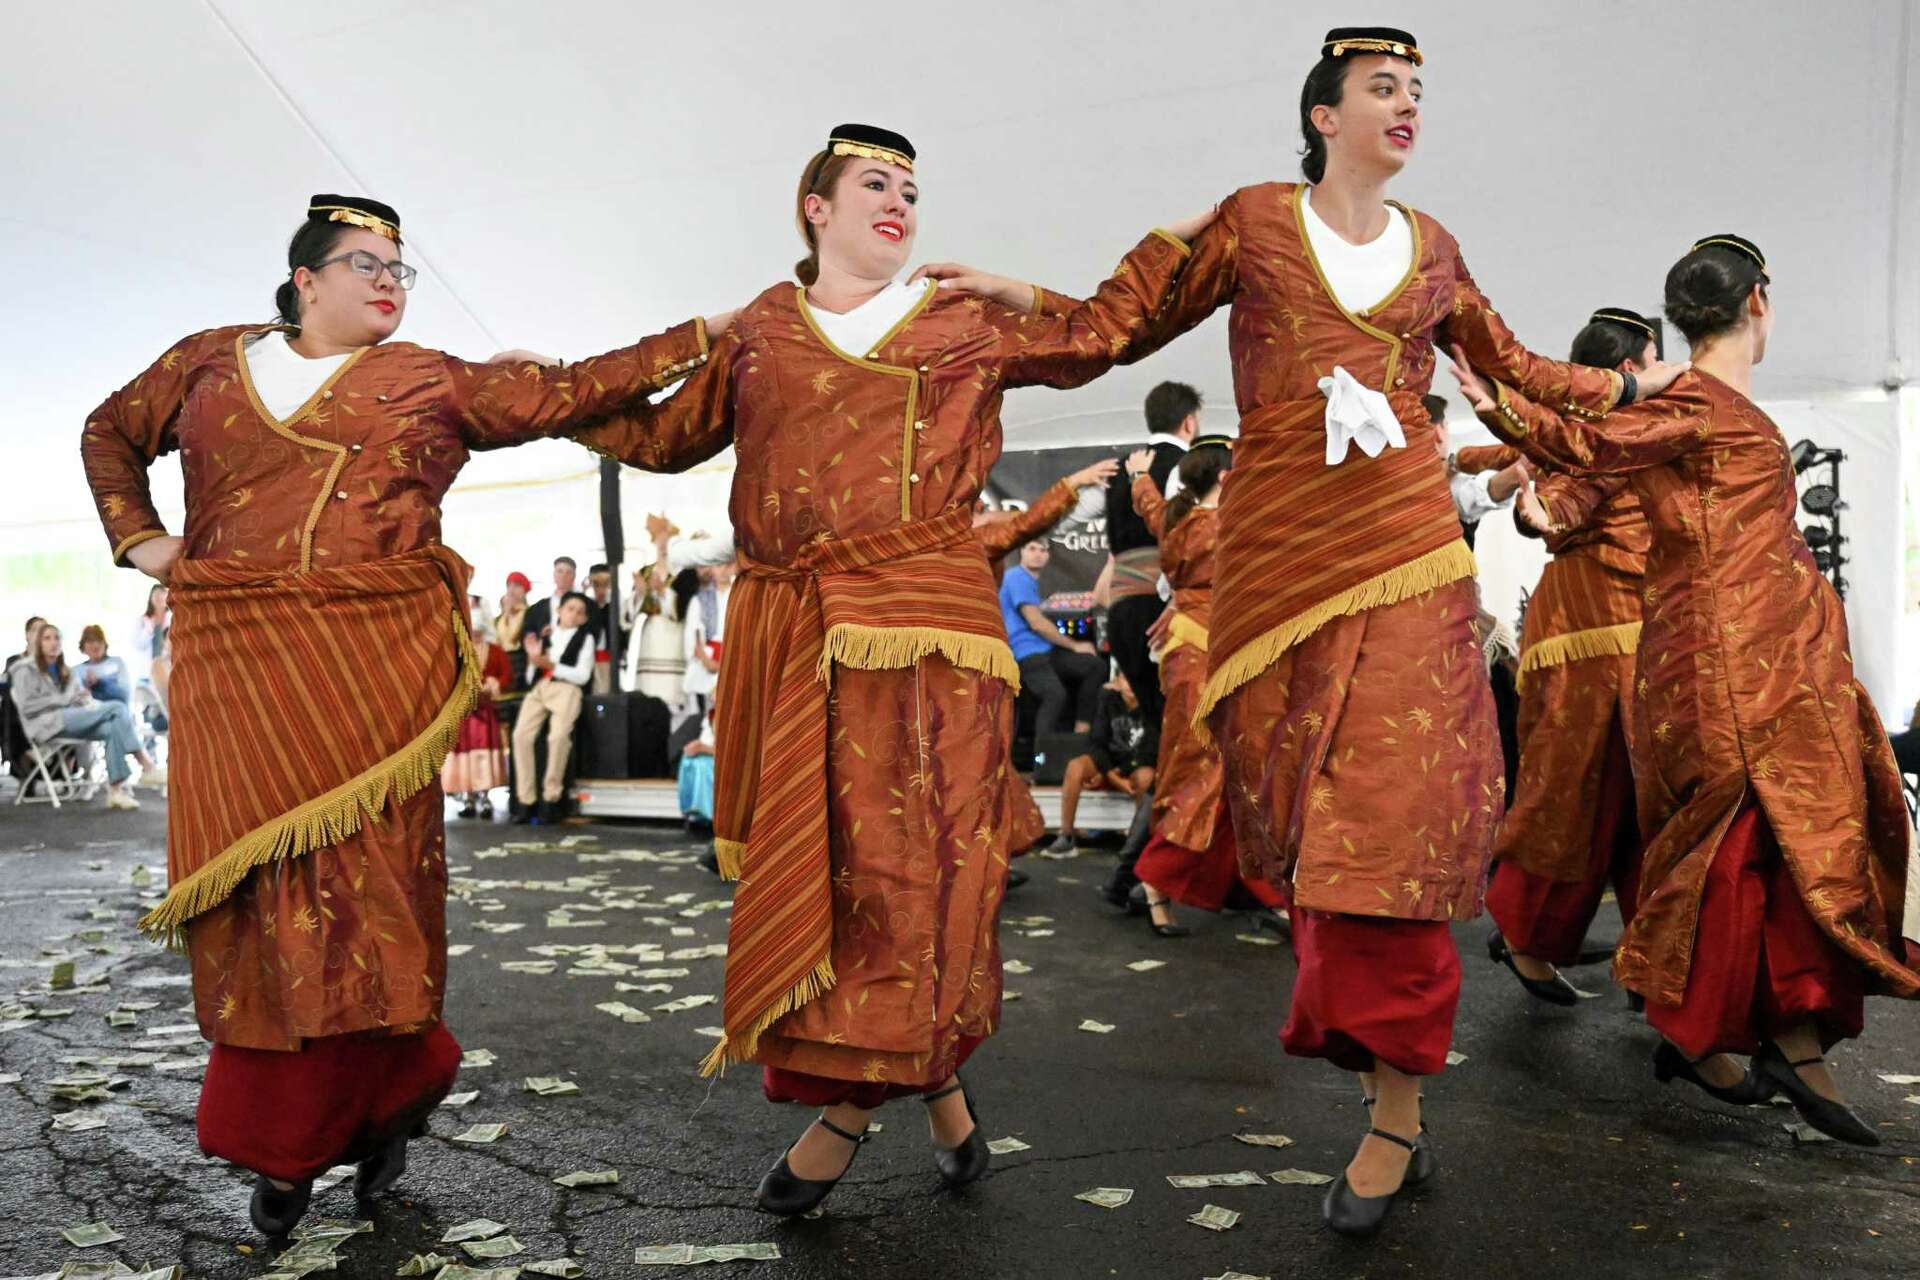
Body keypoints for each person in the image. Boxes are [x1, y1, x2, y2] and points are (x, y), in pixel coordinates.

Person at [1068, 30, 1686, 1236]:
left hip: (1409, 549)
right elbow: (1108, 329)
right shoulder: (1250, 222)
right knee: (1304, 826)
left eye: (1416, 92)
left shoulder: (1436, 246)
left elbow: (1508, 364)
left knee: (1390, 820)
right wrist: (998, 308)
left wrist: (1627, 390)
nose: (1406, 107)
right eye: (1382, 91)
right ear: (1320, 116)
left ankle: (1394, 1113)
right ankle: (1377, 1072)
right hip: (1281, 568)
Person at [569, 123, 1210, 1215]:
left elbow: (1106, 332)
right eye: (876, 183)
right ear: (814, 206)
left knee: (912, 875)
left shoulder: (962, 320)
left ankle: (846, 1115)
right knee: (841, 877)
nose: (902, 201)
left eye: (913, 189)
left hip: (926, 636)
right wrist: (680, 335)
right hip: (800, 641)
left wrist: (1024, 282)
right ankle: (946, 1101)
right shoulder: (765, 327)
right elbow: (657, 431)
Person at [79, 192, 725, 1236]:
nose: (388, 279)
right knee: (256, 892)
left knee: (370, 892)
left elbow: (565, 390)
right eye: (365, 262)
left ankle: (371, 1110)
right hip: (234, 665)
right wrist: (142, 541)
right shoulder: (206, 361)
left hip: (370, 670)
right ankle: (293, 1135)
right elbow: (109, 430)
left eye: (399, 267)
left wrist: (706, 336)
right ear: (306, 279)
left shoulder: (425, 375)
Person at [1451, 233, 1920, 1148]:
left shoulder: (1689, 401)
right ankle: (1709, 1024)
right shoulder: (1692, 401)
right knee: (1738, 837)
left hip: (1760, 653)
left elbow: (1579, 438)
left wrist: (1510, 411)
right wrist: (1508, 412)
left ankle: (1779, 1038)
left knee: (1770, 842)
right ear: (1761, 303)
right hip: (1728, 660)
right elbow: (1579, 444)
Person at [1467, 309, 1661, 1006]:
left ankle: (1653, 959)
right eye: (1652, 361)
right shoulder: (1606, 432)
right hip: (1594, 626)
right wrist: (1538, 511)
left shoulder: (1632, 426)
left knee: (1646, 799)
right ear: (1629, 369)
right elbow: (1562, 485)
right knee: (1577, 792)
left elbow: (1518, 455)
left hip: (1637, 623)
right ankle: (1528, 934)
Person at [1127, 438, 1292, 940]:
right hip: (1206, 660)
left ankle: (1258, 889)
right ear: (1225, 479)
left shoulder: (1179, 521)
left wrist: (1140, 479)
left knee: (1220, 770)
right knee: (1207, 771)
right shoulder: (1229, 528)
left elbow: (1152, 509)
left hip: (1193, 654)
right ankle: (1155, 877)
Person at [1102, 381, 1202, 746]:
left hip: (1121, 611)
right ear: (1189, 422)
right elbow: (1184, 539)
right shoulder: (1191, 467)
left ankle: (1158, 799)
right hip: (1167, 612)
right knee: (1184, 730)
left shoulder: (1120, 471)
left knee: (1157, 725)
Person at [10, 623, 162, 808]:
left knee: (113, 727)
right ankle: (145, 763)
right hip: (45, 724)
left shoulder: (66, 671)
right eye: (47, 638)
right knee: (117, 708)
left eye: (57, 638)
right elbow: (27, 706)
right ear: (38, 642)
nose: (53, 643)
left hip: (69, 719)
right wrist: (64, 699)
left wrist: (83, 699)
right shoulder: (24, 669)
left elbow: (76, 698)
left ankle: (115, 790)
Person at [1001, 538, 1105, 734]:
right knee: (1054, 694)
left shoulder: (1029, 581)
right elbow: (1036, 622)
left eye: (1043, 550)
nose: (1038, 553)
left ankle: (1081, 733)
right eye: (1032, 548)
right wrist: (1075, 646)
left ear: (1048, 556)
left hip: (1045, 649)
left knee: (1095, 666)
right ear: (1021, 553)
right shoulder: (1017, 577)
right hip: (1025, 653)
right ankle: (1044, 758)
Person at [511, 591, 597, 823]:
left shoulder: (585, 638)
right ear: (559, 611)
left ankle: (551, 797)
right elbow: (532, 675)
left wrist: (552, 665)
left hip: (567, 688)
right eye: (570, 608)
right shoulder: (547, 635)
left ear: (584, 619)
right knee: (521, 736)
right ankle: (525, 800)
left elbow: (582, 675)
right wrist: (534, 659)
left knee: (557, 738)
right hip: (543, 685)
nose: (574, 614)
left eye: (580, 612)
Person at [1047, 670, 1153, 850]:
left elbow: (1151, 748)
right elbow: (1096, 741)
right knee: (1076, 766)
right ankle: (1066, 835)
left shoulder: (1152, 704)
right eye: (1125, 679)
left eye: (1135, 680)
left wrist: (1120, 772)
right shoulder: (1107, 699)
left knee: (1146, 777)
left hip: (1137, 763)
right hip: (1109, 764)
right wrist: (1111, 775)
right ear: (1117, 682)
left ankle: (1137, 843)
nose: (1130, 685)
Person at [442, 609, 513, 819]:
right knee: (464, 754)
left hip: (484, 712)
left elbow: (506, 675)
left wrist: (493, 684)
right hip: (464, 714)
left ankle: (484, 796)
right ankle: (468, 796)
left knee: (484, 751)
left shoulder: (495, 651)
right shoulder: (457, 651)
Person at [131, 586, 171, 710]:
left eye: (162, 594)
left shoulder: (173, 617)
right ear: (150, 598)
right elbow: (138, 645)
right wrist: (149, 629)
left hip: (168, 666)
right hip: (148, 669)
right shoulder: (143, 620)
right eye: (156, 595)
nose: (159, 598)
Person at [75, 625, 132, 705]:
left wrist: (99, 683)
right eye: (90, 641)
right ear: (83, 646)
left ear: (105, 644)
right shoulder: (76, 670)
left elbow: (125, 695)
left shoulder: (117, 663)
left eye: (99, 640)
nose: (95, 645)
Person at [495, 571, 532, 689]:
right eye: (509, 586)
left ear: (524, 590)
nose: (511, 590)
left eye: (516, 585)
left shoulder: (531, 613)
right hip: (500, 666)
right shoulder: (498, 620)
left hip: (521, 665)